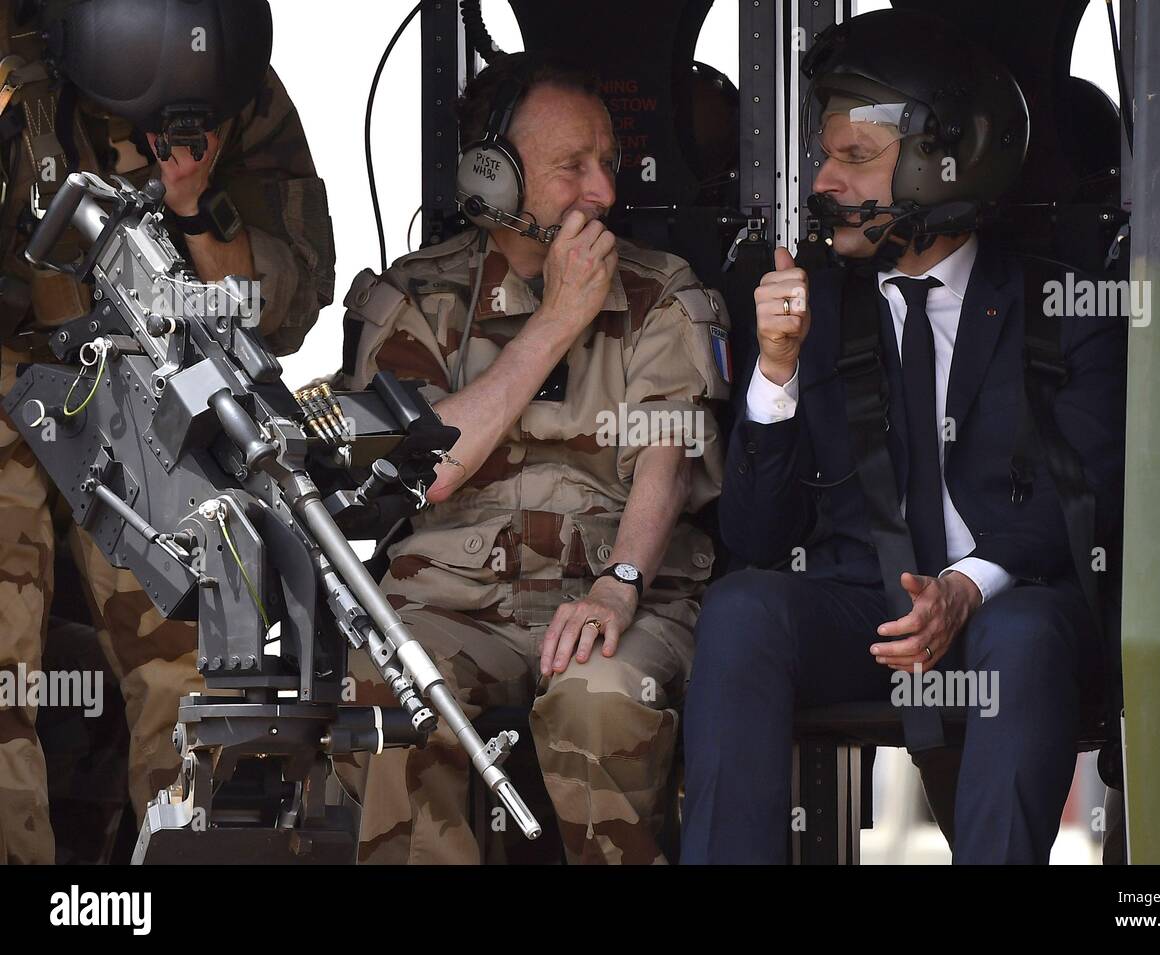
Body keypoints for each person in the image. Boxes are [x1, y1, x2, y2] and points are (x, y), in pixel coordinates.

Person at [680, 9, 1127, 864]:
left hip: (1008, 613)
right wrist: (774, 372)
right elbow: (755, 538)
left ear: (937, 163)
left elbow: (1093, 495)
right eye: (823, 155)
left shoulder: (1066, 308)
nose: (823, 182)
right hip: (865, 608)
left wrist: (966, 586)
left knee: (1026, 631)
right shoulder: (806, 307)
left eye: (855, 158)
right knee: (742, 610)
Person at [336, 53, 729, 864]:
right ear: (494, 178)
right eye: (573, 168)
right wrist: (555, 321)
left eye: (609, 164)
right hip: (451, 602)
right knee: (391, 688)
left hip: (619, 595)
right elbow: (427, 466)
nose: (605, 193)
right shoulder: (419, 296)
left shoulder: (663, 289)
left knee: (601, 701)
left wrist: (620, 587)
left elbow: (668, 456)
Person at [0, 0, 335, 864]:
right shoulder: (19, 64)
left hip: (147, 376)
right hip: (11, 369)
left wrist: (194, 209)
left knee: (196, 668)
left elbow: (288, 301)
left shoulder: (226, 81)